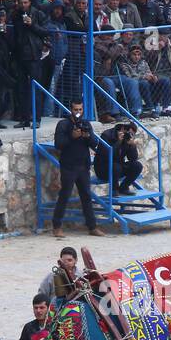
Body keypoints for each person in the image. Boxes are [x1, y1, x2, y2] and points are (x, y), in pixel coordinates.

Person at [51, 101, 106, 238]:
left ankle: (92, 226)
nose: (78, 112)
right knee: (65, 195)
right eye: (76, 109)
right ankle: (56, 226)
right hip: (68, 166)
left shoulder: (86, 123)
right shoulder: (63, 124)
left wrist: (88, 137)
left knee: (86, 196)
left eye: (80, 109)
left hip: (83, 166)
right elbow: (58, 145)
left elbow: (94, 143)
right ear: (71, 109)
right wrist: (72, 136)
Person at [94, 122, 142, 195]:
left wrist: (132, 146)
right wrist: (118, 142)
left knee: (137, 165)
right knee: (116, 167)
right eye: (129, 133)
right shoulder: (106, 135)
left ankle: (124, 187)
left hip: (118, 168)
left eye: (132, 134)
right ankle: (114, 190)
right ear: (123, 129)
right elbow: (106, 155)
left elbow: (132, 158)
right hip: (103, 169)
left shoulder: (127, 138)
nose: (130, 135)